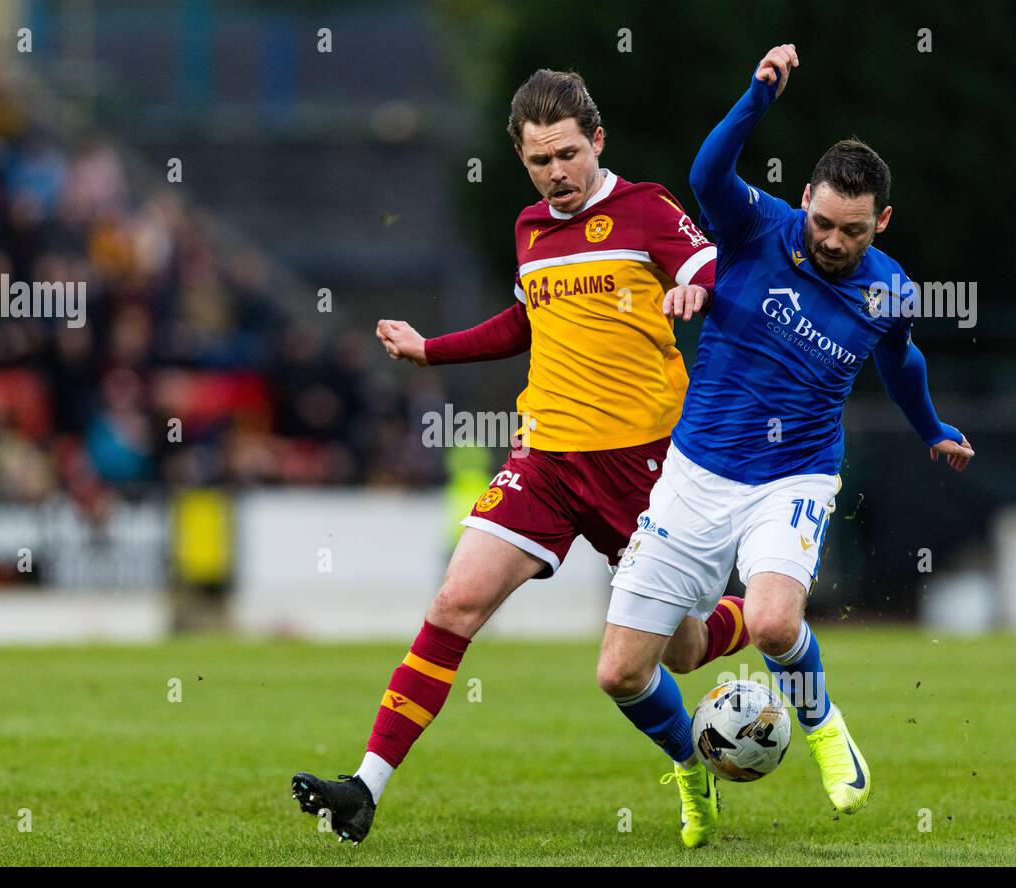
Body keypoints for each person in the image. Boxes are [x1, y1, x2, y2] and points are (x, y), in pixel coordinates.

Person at [291, 68, 749, 845]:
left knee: (683, 648)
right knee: (454, 602)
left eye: (568, 154)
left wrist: (695, 291)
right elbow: (523, 320)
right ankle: (365, 785)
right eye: (540, 162)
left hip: (643, 468)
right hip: (544, 459)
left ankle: (763, 629)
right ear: (523, 160)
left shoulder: (647, 209)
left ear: (597, 141)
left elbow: (713, 271)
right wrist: (429, 350)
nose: (557, 173)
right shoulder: (530, 229)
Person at [603, 44, 975, 846]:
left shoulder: (889, 287)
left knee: (775, 623)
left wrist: (933, 428)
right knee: (639, 667)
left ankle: (824, 727)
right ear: (802, 198)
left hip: (795, 475)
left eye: (851, 229)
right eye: (821, 221)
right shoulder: (756, 226)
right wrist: (756, 96)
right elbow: (706, 177)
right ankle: (693, 768)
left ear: (880, 223)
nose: (832, 241)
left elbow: (900, 360)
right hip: (697, 470)